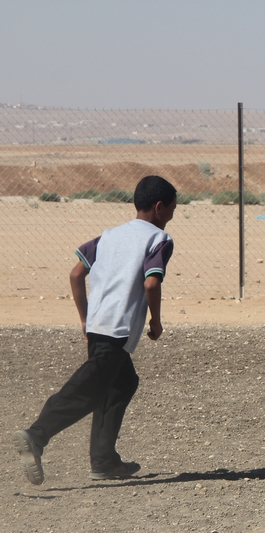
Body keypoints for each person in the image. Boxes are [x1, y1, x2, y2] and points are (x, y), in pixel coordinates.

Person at [12, 175, 177, 484]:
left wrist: (86, 318)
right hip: (117, 329)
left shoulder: (109, 236)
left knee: (122, 383)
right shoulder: (159, 239)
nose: (172, 215)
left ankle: (104, 460)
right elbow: (151, 282)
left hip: (100, 324)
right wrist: (155, 321)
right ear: (158, 207)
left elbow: (76, 273)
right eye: (172, 209)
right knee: (88, 389)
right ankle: (37, 435)